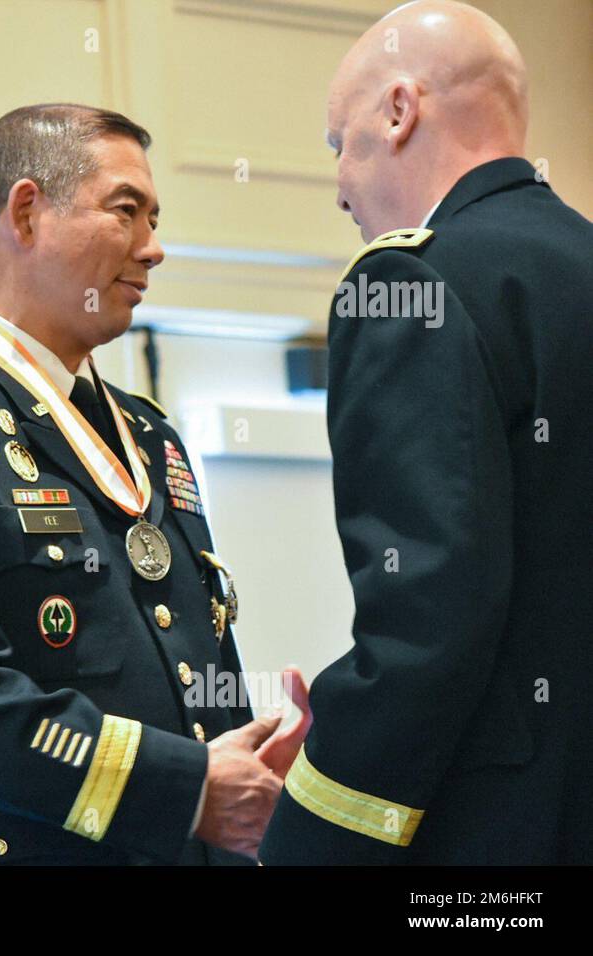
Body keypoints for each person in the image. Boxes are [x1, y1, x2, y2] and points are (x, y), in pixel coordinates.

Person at [0, 104, 309, 865]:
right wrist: (184, 790)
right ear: (26, 212)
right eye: (126, 211)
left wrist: (245, 770)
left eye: (154, 219)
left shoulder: (147, 431)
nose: (154, 248)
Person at [259, 0, 593, 864]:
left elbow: (430, 622)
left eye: (340, 145)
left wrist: (311, 828)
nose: (339, 188)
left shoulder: (411, 287)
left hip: (500, 837)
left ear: (399, 111)